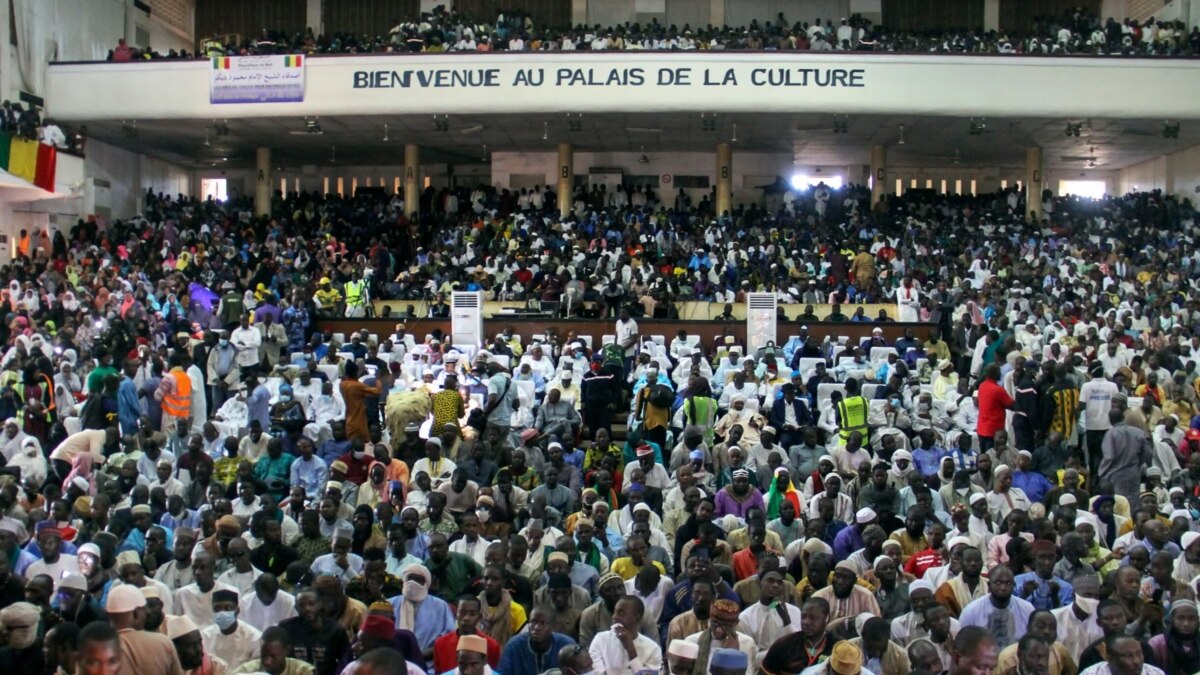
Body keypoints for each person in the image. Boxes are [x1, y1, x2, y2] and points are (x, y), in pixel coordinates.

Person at [106, 584, 185, 675]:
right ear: (136, 613)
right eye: (144, 610)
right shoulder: (162, 642)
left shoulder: (99, 648)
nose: (148, 613)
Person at [587, 596, 662, 674]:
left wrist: (631, 650)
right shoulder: (600, 640)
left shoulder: (653, 649)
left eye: (621, 613)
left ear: (637, 618)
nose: (614, 617)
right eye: (614, 612)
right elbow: (596, 672)